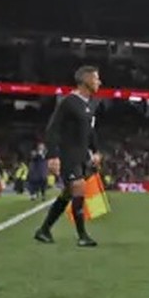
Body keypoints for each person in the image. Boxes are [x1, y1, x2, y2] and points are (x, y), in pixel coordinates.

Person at [33, 66, 102, 246]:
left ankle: (44, 230)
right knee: (78, 188)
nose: (99, 82)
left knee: (68, 193)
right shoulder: (68, 102)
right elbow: (53, 129)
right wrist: (53, 156)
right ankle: (82, 236)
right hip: (67, 155)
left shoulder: (90, 104)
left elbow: (90, 132)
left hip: (80, 156)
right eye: (96, 79)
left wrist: (95, 151)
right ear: (85, 81)